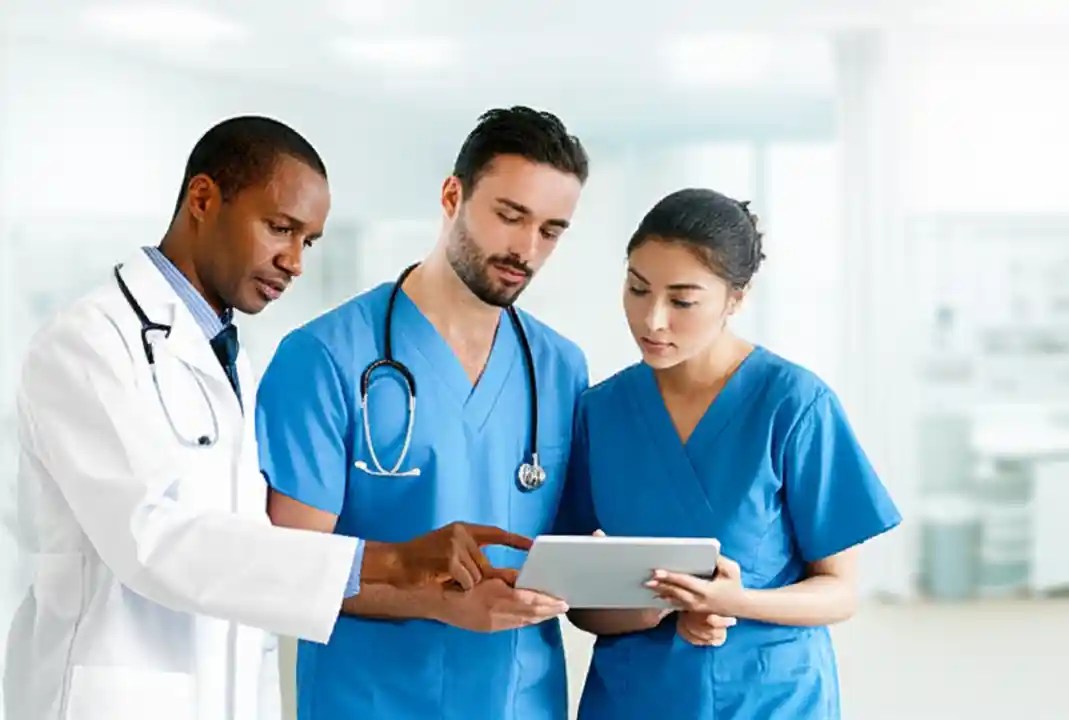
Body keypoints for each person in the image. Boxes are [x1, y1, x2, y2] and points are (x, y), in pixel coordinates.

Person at [3, 116, 531, 720]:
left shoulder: (225, 354)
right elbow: (153, 540)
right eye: (280, 228)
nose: (295, 261)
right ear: (203, 199)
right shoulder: (88, 343)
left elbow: (242, 553)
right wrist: (392, 558)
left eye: (308, 241)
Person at [254, 106, 590, 720]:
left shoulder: (560, 368)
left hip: (521, 702)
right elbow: (289, 570)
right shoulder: (324, 359)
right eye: (509, 216)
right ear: (452, 195)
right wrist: (438, 603)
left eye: (551, 230)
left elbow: (571, 555)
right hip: (372, 702)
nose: (526, 249)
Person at [558, 188, 902, 719]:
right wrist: (660, 608)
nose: (652, 320)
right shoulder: (599, 413)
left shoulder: (794, 404)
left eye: (682, 300)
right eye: (637, 289)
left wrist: (733, 604)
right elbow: (580, 604)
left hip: (768, 698)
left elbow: (839, 592)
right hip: (635, 699)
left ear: (735, 299)